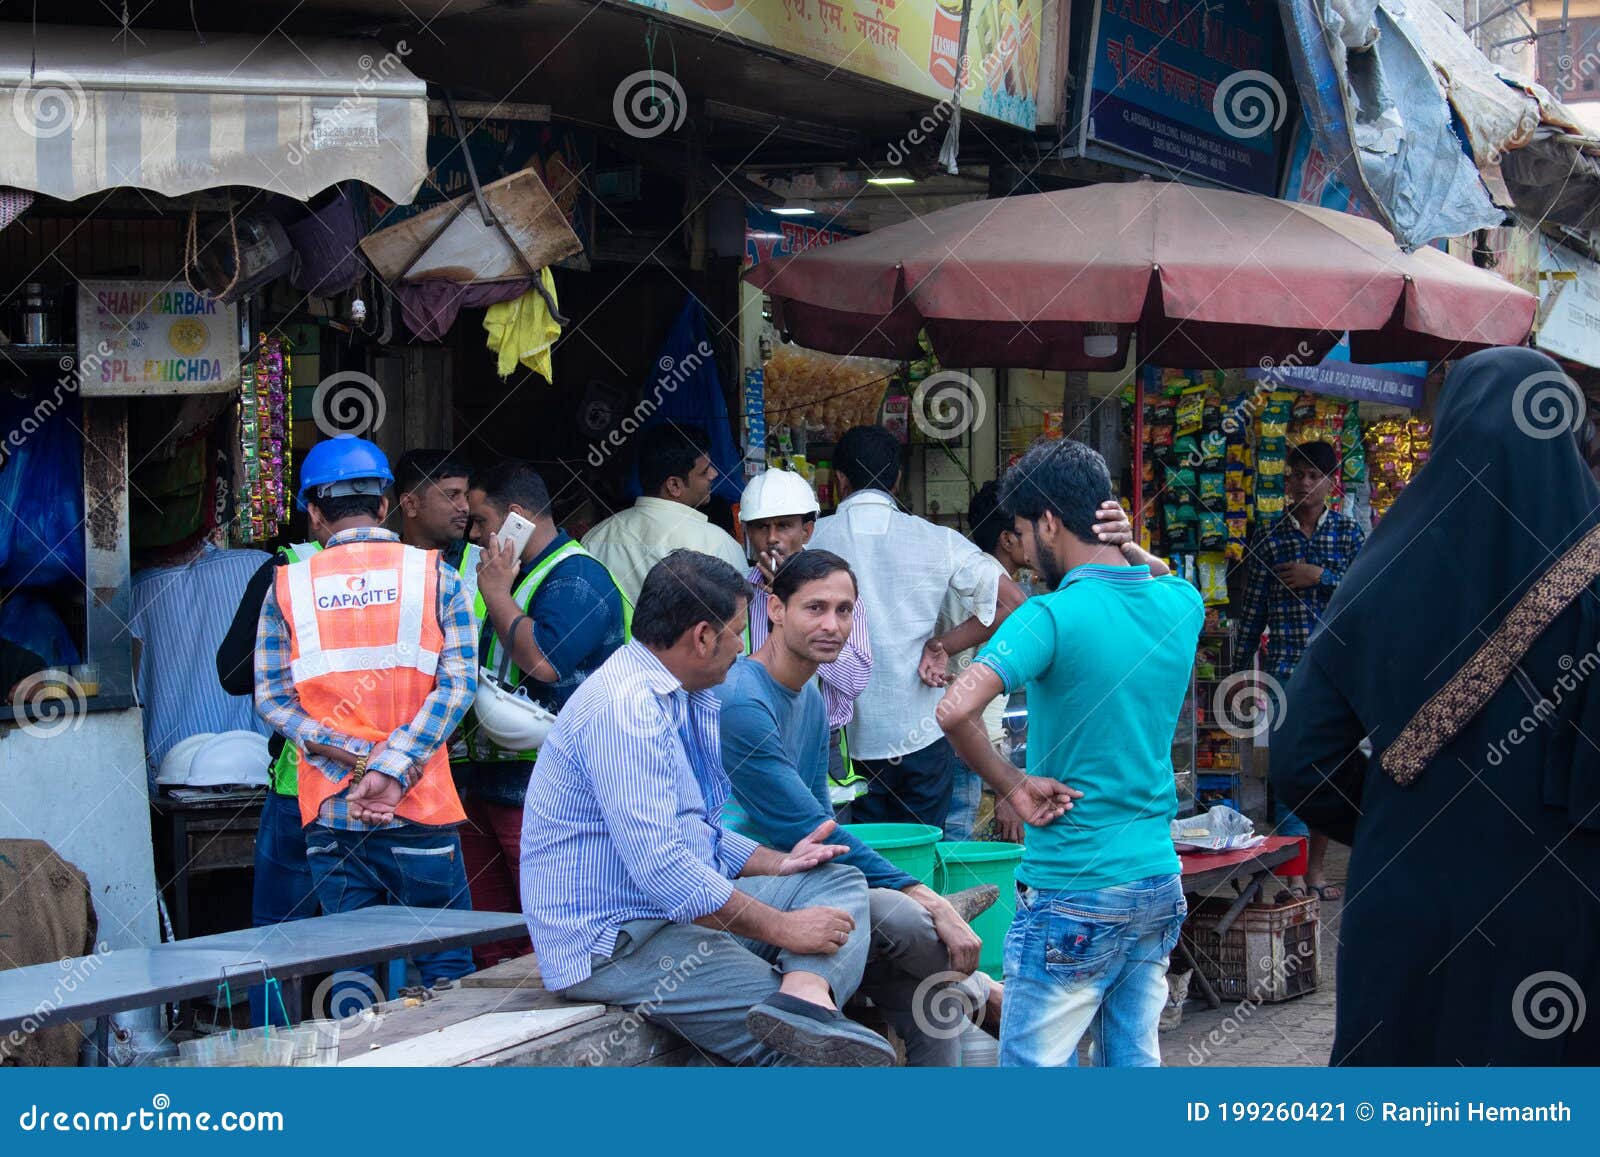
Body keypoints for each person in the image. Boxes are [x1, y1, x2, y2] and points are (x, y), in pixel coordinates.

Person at [1273, 347, 1600, 1065]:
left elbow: (1300, 758)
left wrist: (1405, 817)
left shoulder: (1382, 571)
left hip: (1412, 904)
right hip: (1565, 913)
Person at [521, 549, 894, 1066]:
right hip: (618, 944)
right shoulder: (626, 711)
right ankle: (799, 1019)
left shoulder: (678, 694)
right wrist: (784, 928)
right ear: (701, 637)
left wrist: (779, 864)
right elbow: (665, 869)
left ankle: (806, 997)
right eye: (737, 632)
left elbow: (696, 833)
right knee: (814, 1058)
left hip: (669, 920)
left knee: (834, 875)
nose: (742, 647)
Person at [937, 439, 1203, 1067]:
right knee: (1132, 1064)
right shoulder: (1180, 604)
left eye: (1025, 534)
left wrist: (1012, 784)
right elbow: (1158, 577)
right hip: (1156, 878)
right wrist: (1132, 548)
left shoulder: (1048, 616)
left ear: (1050, 522)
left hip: (1073, 888)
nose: (1024, 554)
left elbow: (953, 708)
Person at [717, 549, 999, 1065]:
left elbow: (820, 823)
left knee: (932, 1000)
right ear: (776, 610)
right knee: (905, 917)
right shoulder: (743, 701)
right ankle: (985, 990)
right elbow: (811, 830)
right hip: (735, 893)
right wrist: (928, 899)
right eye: (815, 608)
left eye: (844, 611)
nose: (832, 625)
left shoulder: (810, 697)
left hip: (807, 881)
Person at [809, 425, 1131, 830]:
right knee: (924, 865)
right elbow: (1013, 604)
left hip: (842, 744)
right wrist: (941, 644)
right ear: (896, 480)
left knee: (854, 869)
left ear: (839, 482)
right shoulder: (937, 539)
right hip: (923, 737)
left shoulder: (811, 541)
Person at [254, 435, 479, 996]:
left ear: (312, 512)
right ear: (385, 506)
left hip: (331, 809)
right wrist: (392, 766)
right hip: (420, 807)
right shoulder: (436, 576)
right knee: (444, 963)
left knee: (357, 973)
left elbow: (272, 699)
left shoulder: (288, 586)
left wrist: (354, 759)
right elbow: (458, 687)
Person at [455, 459, 627, 967]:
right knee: (490, 934)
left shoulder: (577, 576)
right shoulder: (518, 574)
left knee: (545, 925)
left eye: (483, 524)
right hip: (491, 781)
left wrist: (497, 596)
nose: (478, 538)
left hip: (540, 785)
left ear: (515, 518)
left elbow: (545, 662)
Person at [1235, 439, 1366, 901]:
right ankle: (1291, 874)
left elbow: (1365, 598)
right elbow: (1253, 607)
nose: (1306, 484)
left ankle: (1315, 871)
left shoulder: (1350, 535)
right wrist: (1239, 667)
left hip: (1336, 673)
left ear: (1331, 483)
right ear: (1287, 481)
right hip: (1285, 669)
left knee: (1329, 770)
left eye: (1316, 476)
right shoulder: (1269, 535)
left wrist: (1320, 577)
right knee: (1290, 771)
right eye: (1299, 475)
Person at [739, 467, 871, 815]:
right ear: (746, 532)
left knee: (827, 850)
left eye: (784, 525)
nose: (771, 538)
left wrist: (804, 611)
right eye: (760, 526)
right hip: (750, 738)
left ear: (807, 529)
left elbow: (856, 680)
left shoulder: (840, 592)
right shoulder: (736, 592)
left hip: (822, 745)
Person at [132, 537, 273, 785]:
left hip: (173, 768)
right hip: (258, 761)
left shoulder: (137, 590)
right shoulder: (259, 565)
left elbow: (131, 688)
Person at [941, 481, 1033, 841]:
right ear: (1007, 539)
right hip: (967, 750)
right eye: (1029, 530)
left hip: (948, 744)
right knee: (960, 854)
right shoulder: (991, 588)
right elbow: (985, 702)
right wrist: (1005, 788)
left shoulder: (966, 572)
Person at [582, 423, 747, 603]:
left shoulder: (594, 539)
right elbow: (738, 624)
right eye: (704, 471)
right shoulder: (718, 545)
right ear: (674, 485)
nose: (714, 474)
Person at [394, 449, 483, 603]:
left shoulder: (487, 563)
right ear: (410, 505)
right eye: (451, 495)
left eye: (466, 497)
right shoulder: (379, 565)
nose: (465, 507)